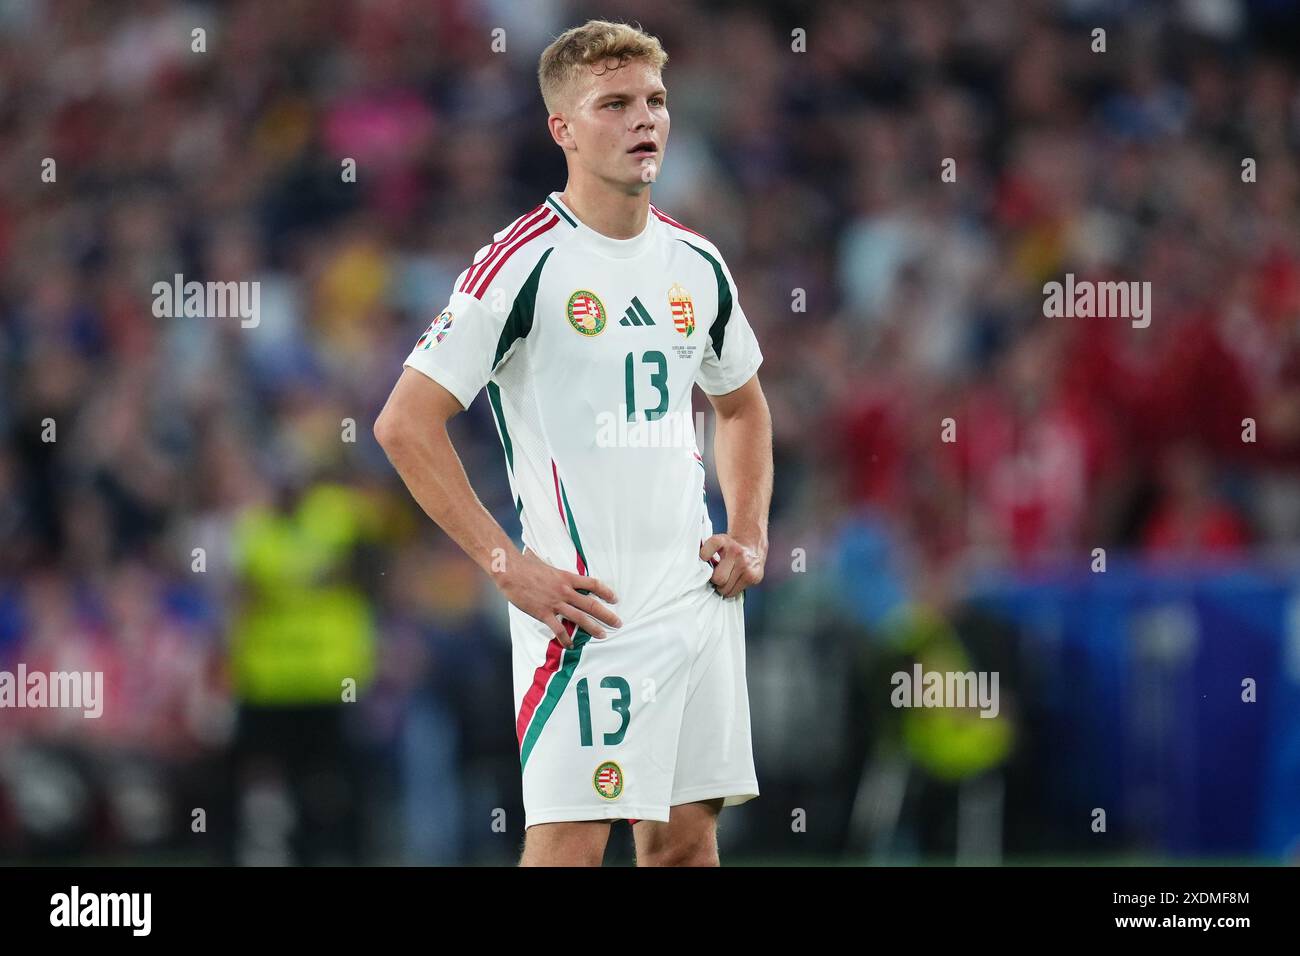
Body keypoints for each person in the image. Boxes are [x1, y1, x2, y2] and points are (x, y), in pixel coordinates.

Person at [374, 19, 772, 867]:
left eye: (656, 102)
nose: (645, 121)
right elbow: (404, 422)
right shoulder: (521, 264)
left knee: (686, 847)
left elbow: (740, 408)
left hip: (696, 599)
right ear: (562, 128)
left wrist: (751, 531)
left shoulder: (697, 264)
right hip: (587, 610)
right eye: (616, 103)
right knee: (567, 848)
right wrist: (504, 562)